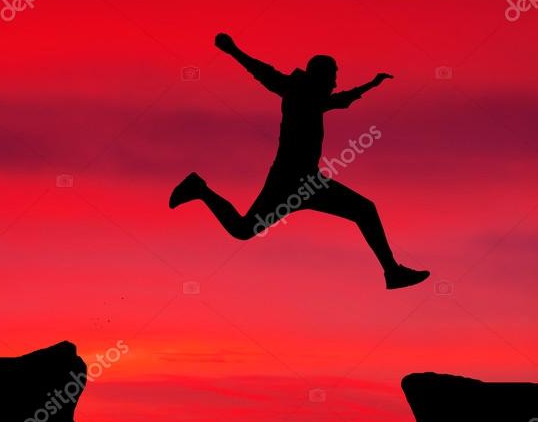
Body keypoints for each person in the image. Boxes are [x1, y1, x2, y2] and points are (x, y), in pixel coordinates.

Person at [170, 33, 429, 289]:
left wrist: (370, 85)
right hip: (290, 182)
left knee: (246, 229)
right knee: (245, 229)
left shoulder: (312, 97)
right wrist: (234, 50)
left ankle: (392, 272)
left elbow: (340, 99)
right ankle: (200, 189)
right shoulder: (297, 92)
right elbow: (262, 71)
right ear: (320, 76)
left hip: (308, 183)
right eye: (333, 77)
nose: (335, 83)